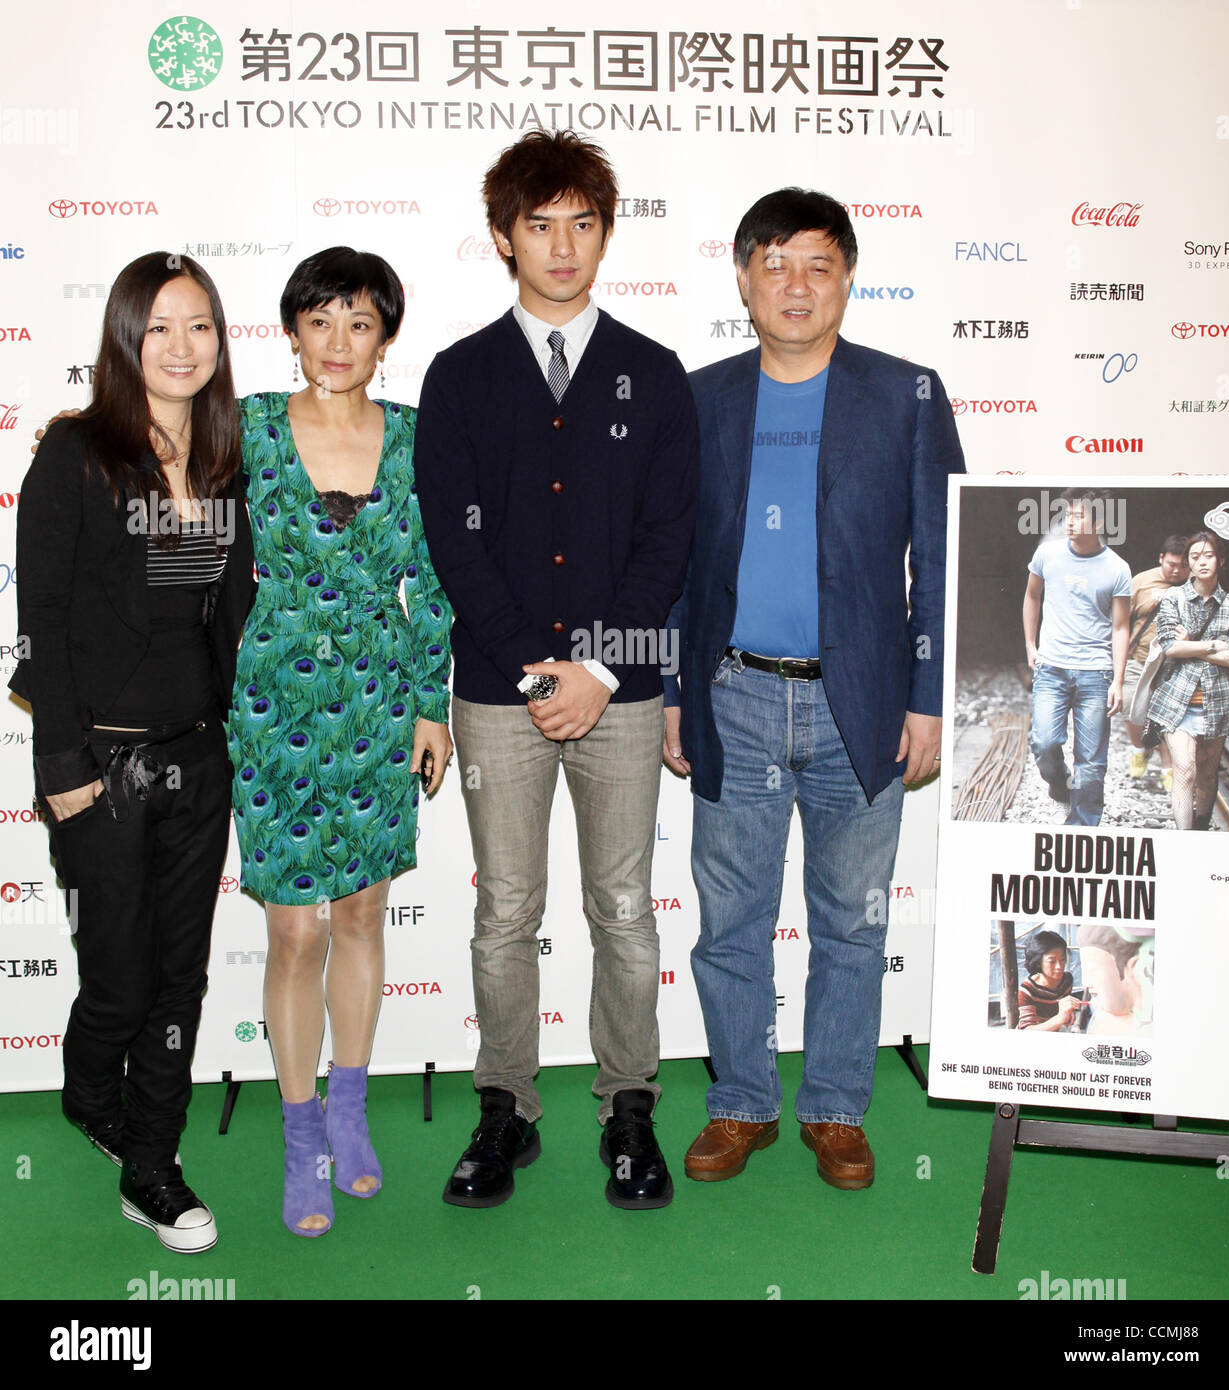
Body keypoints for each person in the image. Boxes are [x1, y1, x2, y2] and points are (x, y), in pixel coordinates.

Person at [413, 131, 698, 1210]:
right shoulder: (460, 375)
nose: (564, 245)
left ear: (606, 233)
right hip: (494, 693)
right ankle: (506, 1108)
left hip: (621, 691)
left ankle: (629, 1107)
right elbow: (454, 542)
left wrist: (594, 668)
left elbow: (665, 541)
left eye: (583, 222)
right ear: (503, 237)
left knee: (623, 906)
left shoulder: (653, 374)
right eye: (541, 225)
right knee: (505, 911)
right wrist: (534, 671)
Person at [663, 188, 964, 1191]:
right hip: (733, 696)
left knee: (852, 919)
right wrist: (670, 692)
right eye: (775, 264)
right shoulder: (699, 399)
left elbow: (944, 558)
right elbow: (671, 564)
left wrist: (927, 698)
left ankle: (835, 1107)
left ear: (846, 277)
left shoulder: (906, 393)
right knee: (730, 917)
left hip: (863, 705)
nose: (796, 285)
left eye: (818, 265)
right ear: (743, 276)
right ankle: (740, 1101)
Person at [11, 252, 256, 1252]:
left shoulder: (222, 459)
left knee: (182, 974)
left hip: (199, 757)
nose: (182, 346)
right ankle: (86, 1088)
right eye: (158, 327)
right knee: (119, 975)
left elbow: (222, 615)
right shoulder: (76, 454)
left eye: (199, 325)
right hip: (104, 770)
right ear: (123, 339)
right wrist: (61, 764)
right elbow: (46, 618)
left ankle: (152, 1162)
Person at [229, 247, 452, 1236]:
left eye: (359, 323)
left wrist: (432, 703)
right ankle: (300, 1133)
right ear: (292, 329)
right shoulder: (243, 430)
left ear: (385, 337)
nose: (337, 342)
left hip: (377, 693)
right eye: (319, 320)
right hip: (271, 689)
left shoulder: (413, 440)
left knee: (361, 915)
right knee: (294, 928)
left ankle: (352, 1113)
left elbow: (436, 582)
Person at [1023, 487, 1131, 826]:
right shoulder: (1047, 555)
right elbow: (1031, 597)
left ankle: (1082, 827)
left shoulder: (1117, 568)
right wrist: (1030, 644)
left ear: (1099, 521)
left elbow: (1121, 627)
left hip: (1096, 673)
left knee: (1092, 760)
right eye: (1067, 514)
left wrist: (1118, 680)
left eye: (1078, 515)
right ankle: (1059, 784)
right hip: (1052, 667)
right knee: (1044, 741)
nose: (1069, 521)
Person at [1145, 529, 1229, 830]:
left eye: (1209, 555)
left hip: (1218, 701)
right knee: (1185, 769)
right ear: (1188, 563)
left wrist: (1193, 646)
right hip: (1178, 700)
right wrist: (1215, 645)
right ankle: (1185, 838)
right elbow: (1171, 646)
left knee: (1207, 772)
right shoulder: (1174, 598)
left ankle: (1200, 827)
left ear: (1221, 560)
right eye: (1195, 556)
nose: (1202, 562)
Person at [1124, 536, 1189, 789]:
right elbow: (1120, 620)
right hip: (1138, 658)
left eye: (1183, 566)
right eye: (1171, 564)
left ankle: (1168, 769)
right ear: (1161, 558)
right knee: (1130, 706)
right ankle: (1139, 749)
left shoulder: (1195, 586)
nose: (1176, 570)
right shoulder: (1141, 581)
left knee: (1166, 718)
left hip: (1173, 665)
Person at [1016, 930, 1084, 1031]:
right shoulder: (1027, 990)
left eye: (1062, 959)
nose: (1059, 967)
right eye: (1052, 961)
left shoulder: (1067, 980)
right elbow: (1027, 1031)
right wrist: (1060, 1019)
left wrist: (1069, 1013)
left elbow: (1062, 1010)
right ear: (1038, 962)